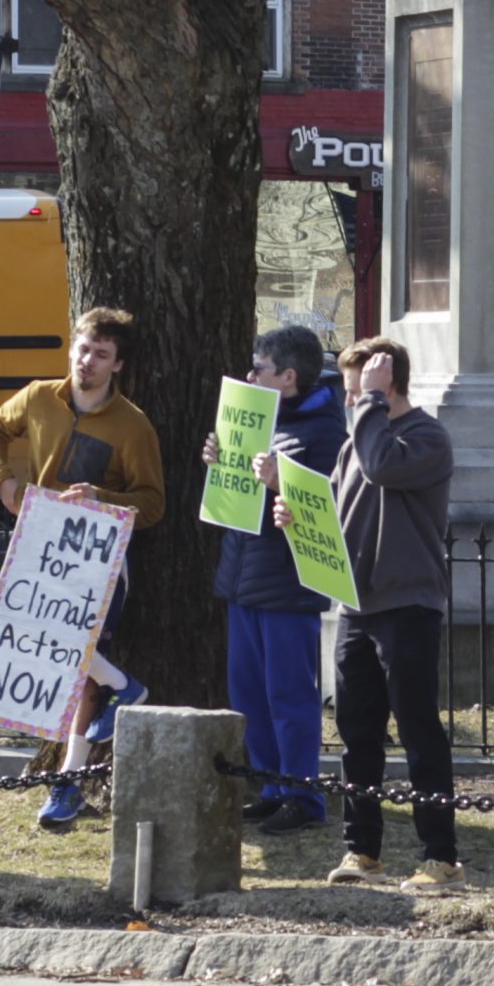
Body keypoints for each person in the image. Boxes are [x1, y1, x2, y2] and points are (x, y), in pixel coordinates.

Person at [272, 337, 462, 893]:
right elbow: (337, 508)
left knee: (419, 730)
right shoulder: (359, 437)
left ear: (386, 382)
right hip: (355, 603)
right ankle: (363, 850)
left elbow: (382, 468)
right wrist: (293, 511)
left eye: (357, 387)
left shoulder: (425, 437)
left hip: (408, 603)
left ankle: (441, 856)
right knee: (357, 732)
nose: (349, 397)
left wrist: (371, 404)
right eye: (353, 390)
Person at [0, 306, 167, 830]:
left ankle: (68, 781)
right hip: (36, 548)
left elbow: (153, 504)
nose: (87, 361)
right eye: (83, 349)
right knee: (52, 653)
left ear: (118, 365)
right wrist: (3, 485)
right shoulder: (39, 396)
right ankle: (125, 687)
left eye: (101, 355)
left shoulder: (133, 426)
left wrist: (101, 495)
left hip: (99, 559)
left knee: (79, 669)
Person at [200, 327, 346, 836]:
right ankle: (270, 786)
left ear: (288, 376)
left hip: (287, 584)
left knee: (289, 695)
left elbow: (329, 504)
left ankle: (304, 795)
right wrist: (219, 463)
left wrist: (281, 481)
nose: (250, 375)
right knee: (249, 694)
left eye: (259, 367)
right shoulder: (258, 419)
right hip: (244, 576)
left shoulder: (324, 429)